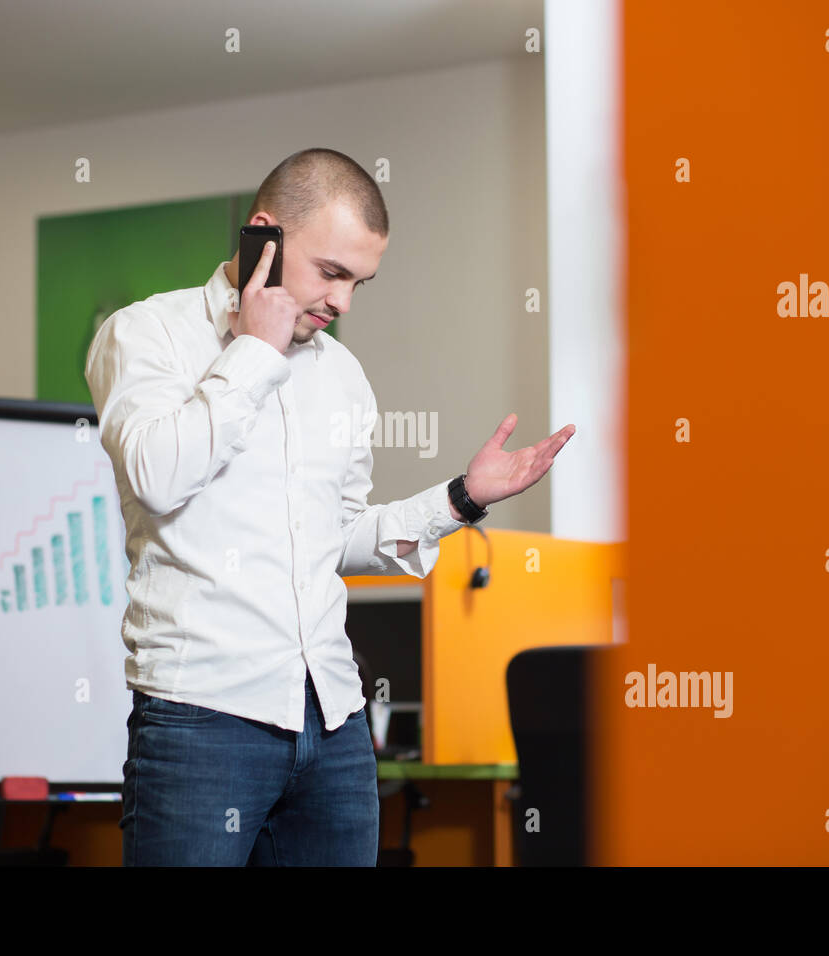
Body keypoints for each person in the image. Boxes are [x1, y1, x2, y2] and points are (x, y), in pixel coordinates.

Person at [84, 147, 576, 866]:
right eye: (332, 273)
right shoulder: (146, 335)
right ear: (264, 235)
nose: (342, 302)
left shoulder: (343, 376)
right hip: (201, 718)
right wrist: (255, 351)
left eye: (359, 283)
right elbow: (159, 475)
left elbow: (337, 537)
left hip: (334, 721)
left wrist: (461, 499)